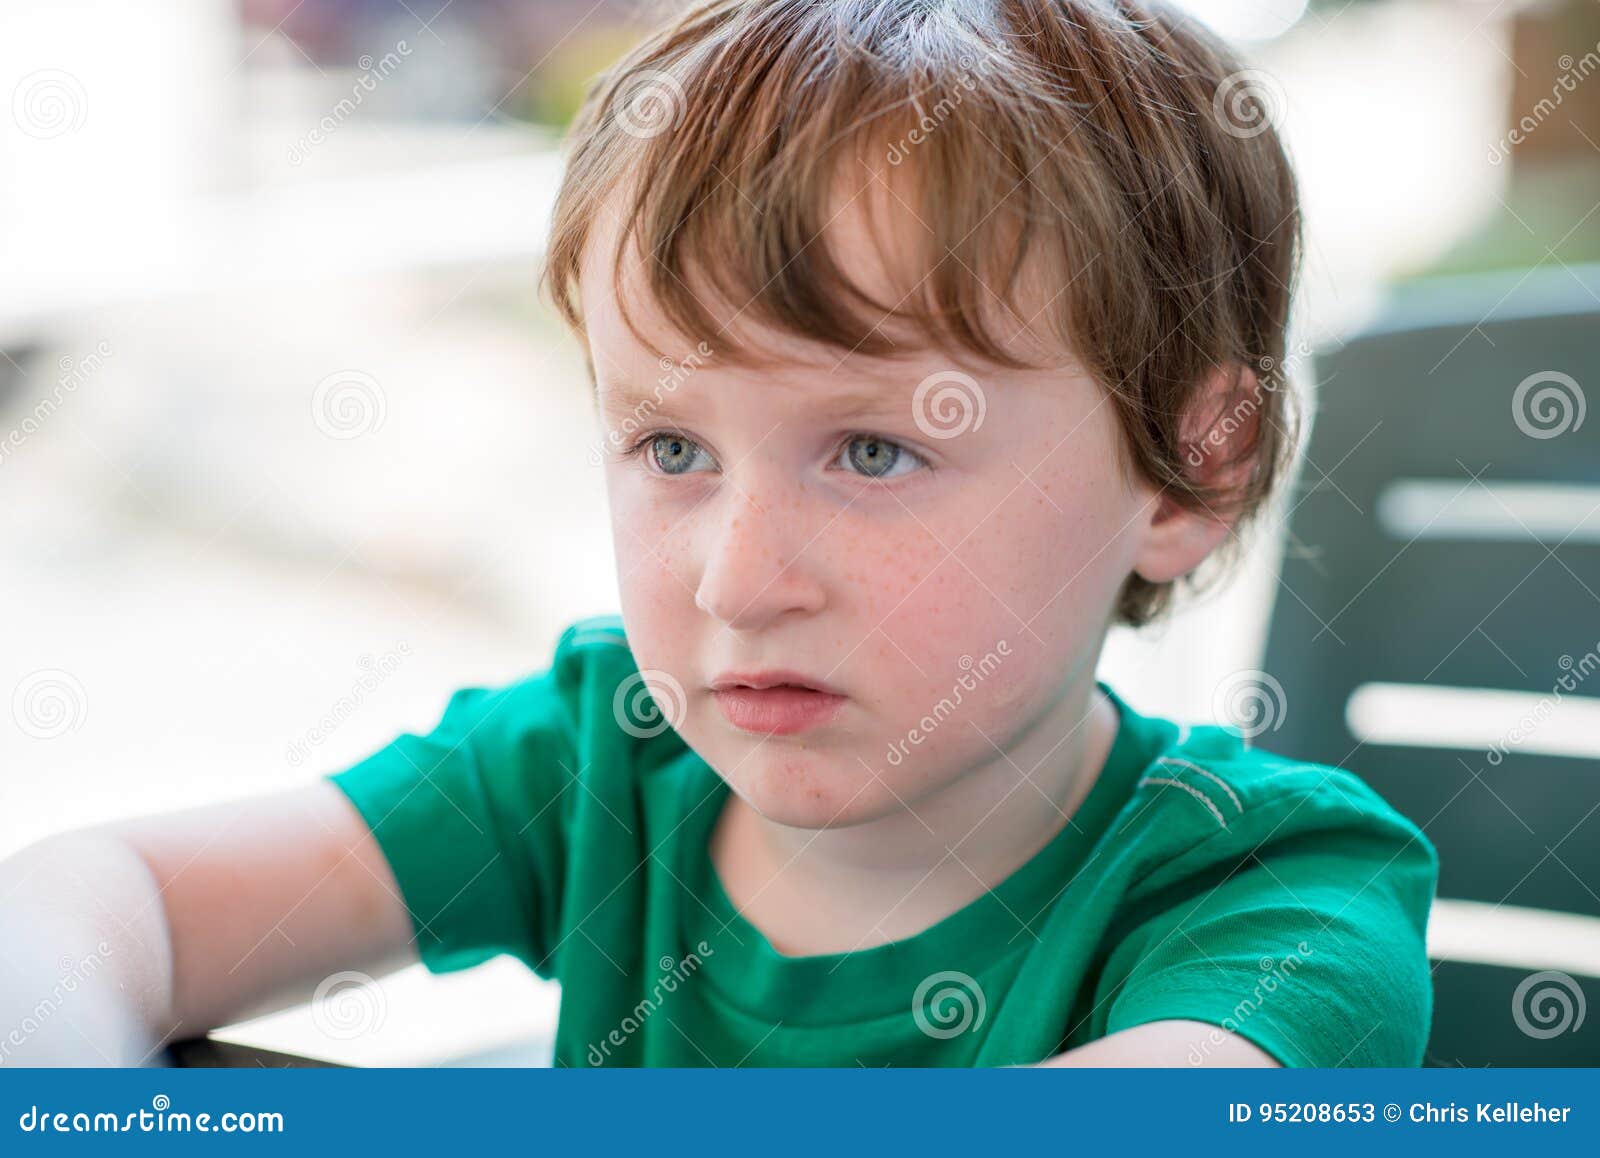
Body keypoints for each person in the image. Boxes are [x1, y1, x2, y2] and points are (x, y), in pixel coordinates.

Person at [0, 0, 1436, 1067]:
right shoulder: (597, 758)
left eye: (876, 449)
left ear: (1191, 466)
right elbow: (85, 900)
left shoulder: (1275, 903)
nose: (739, 579)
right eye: (671, 445)